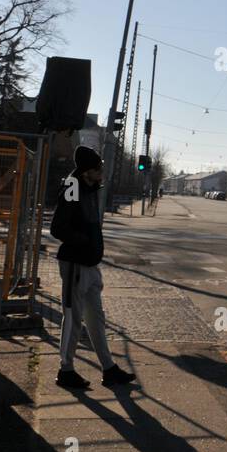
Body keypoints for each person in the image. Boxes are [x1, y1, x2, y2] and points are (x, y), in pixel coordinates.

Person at [50, 146, 137, 390]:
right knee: (73, 318)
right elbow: (58, 228)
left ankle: (109, 368)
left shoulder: (88, 189)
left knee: (96, 319)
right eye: (99, 169)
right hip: (75, 263)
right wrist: (83, 241)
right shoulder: (72, 187)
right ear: (88, 171)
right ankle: (65, 370)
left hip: (89, 264)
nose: (102, 173)